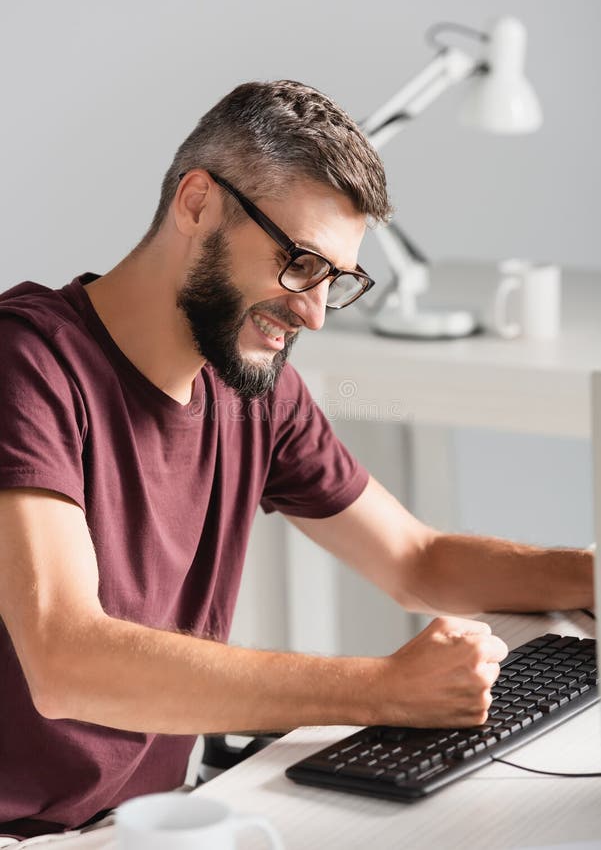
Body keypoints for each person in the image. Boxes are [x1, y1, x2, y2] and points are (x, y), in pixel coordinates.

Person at [0, 80, 592, 839]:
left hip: (149, 823)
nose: (312, 311)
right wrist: (381, 690)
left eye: (335, 280)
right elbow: (66, 660)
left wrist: (589, 574)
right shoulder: (29, 366)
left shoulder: (250, 386)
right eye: (298, 262)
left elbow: (415, 561)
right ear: (197, 204)